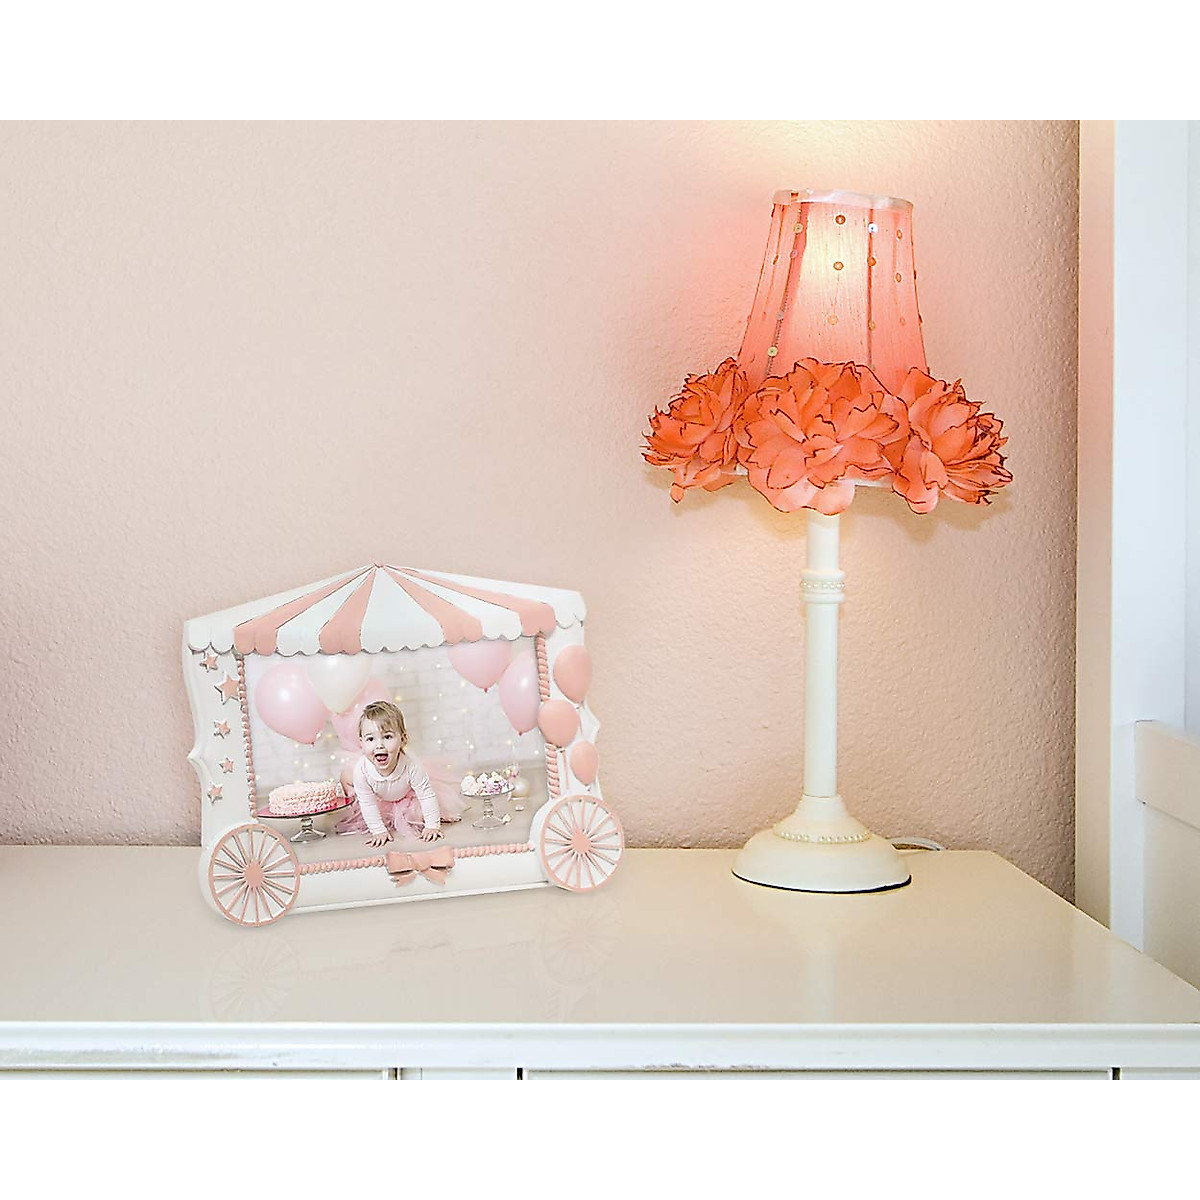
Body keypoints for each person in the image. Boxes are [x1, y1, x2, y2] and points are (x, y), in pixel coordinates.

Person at [335, 700, 465, 848]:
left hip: (405, 794)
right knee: (351, 778)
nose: (379, 745)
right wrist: (378, 831)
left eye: (387, 737)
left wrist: (432, 826)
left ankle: (431, 817)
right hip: (379, 796)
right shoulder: (362, 770)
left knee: (421, 813)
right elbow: (368, 803)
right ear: (361, 743)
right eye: (370, 739)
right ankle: (345, 783)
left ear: (403, 739)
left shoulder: (411, 765)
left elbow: (426, 795)